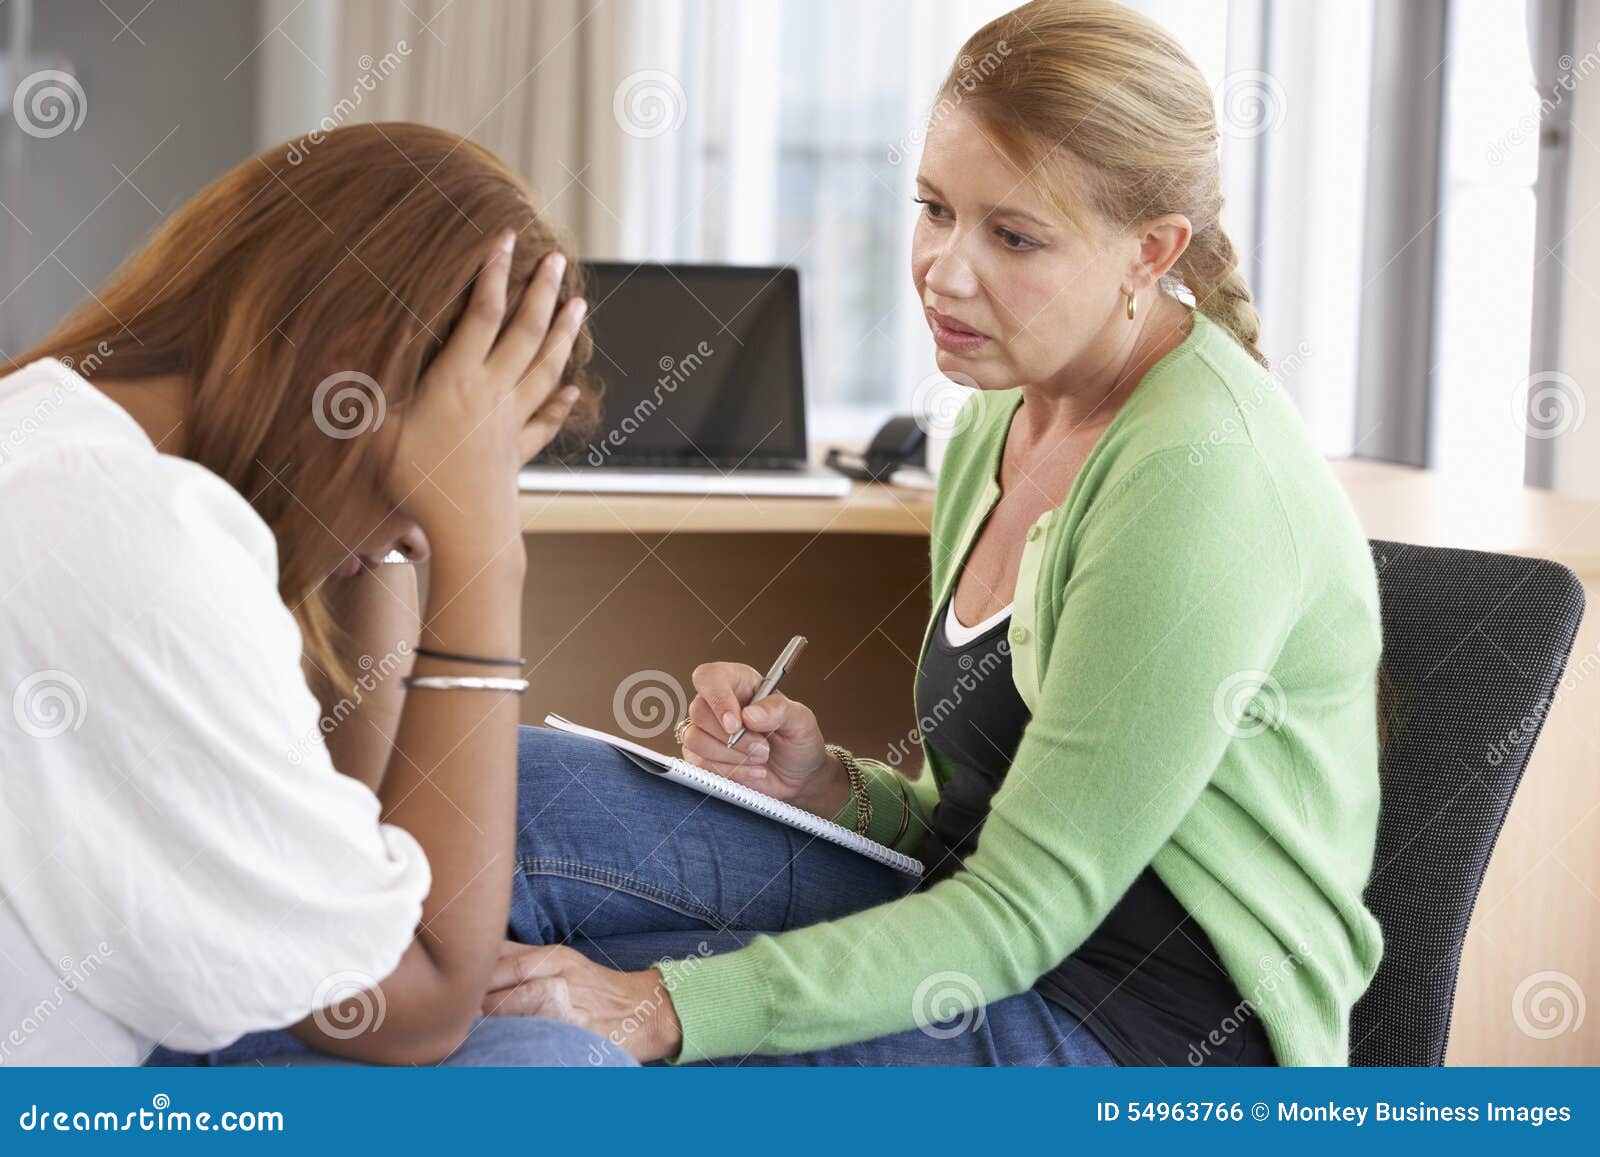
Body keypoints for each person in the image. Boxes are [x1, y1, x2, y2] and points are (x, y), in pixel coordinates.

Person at [489, 0, 1384, 1067]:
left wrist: (657, 1003)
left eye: (1014, 236)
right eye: (933, 208)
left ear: (1149, 252)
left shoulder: (1198, 479)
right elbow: (979, 823)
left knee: (562, 1042)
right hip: (994, 922)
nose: (943, 271)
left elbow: (1022, 906)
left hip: (1144, 1034)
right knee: (520, 793)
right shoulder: (1000, 414)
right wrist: (826, 787)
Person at [0, 122, 628, 1067]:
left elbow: (352, 836)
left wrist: (393, 502)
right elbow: (415, 1007)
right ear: (356, 360)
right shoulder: (139, 534)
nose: (421, 525)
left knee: (608, 971)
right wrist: (483, 554)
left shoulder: (57, 426)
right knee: (557, 1064)